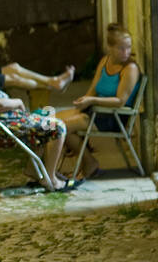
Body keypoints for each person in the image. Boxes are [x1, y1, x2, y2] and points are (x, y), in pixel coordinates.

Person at [0, 43, 74, 193]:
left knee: (42, 117)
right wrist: (18, 102)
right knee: (57, 126)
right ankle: (50, 179)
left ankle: (34, 171)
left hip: (0, 123)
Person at [56, 23, 142, 181]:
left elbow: (120, 101)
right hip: (96, 111)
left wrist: (92, 101)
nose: (126, 52)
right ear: (110, 47)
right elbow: (92, 90)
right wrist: (81, 105)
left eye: (128, 47)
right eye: (121, 48)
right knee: (55, 120)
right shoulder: (105, 61)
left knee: (63, 127)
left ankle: (89, 163)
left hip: (113, 117)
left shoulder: (130, 68)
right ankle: (77, 164)